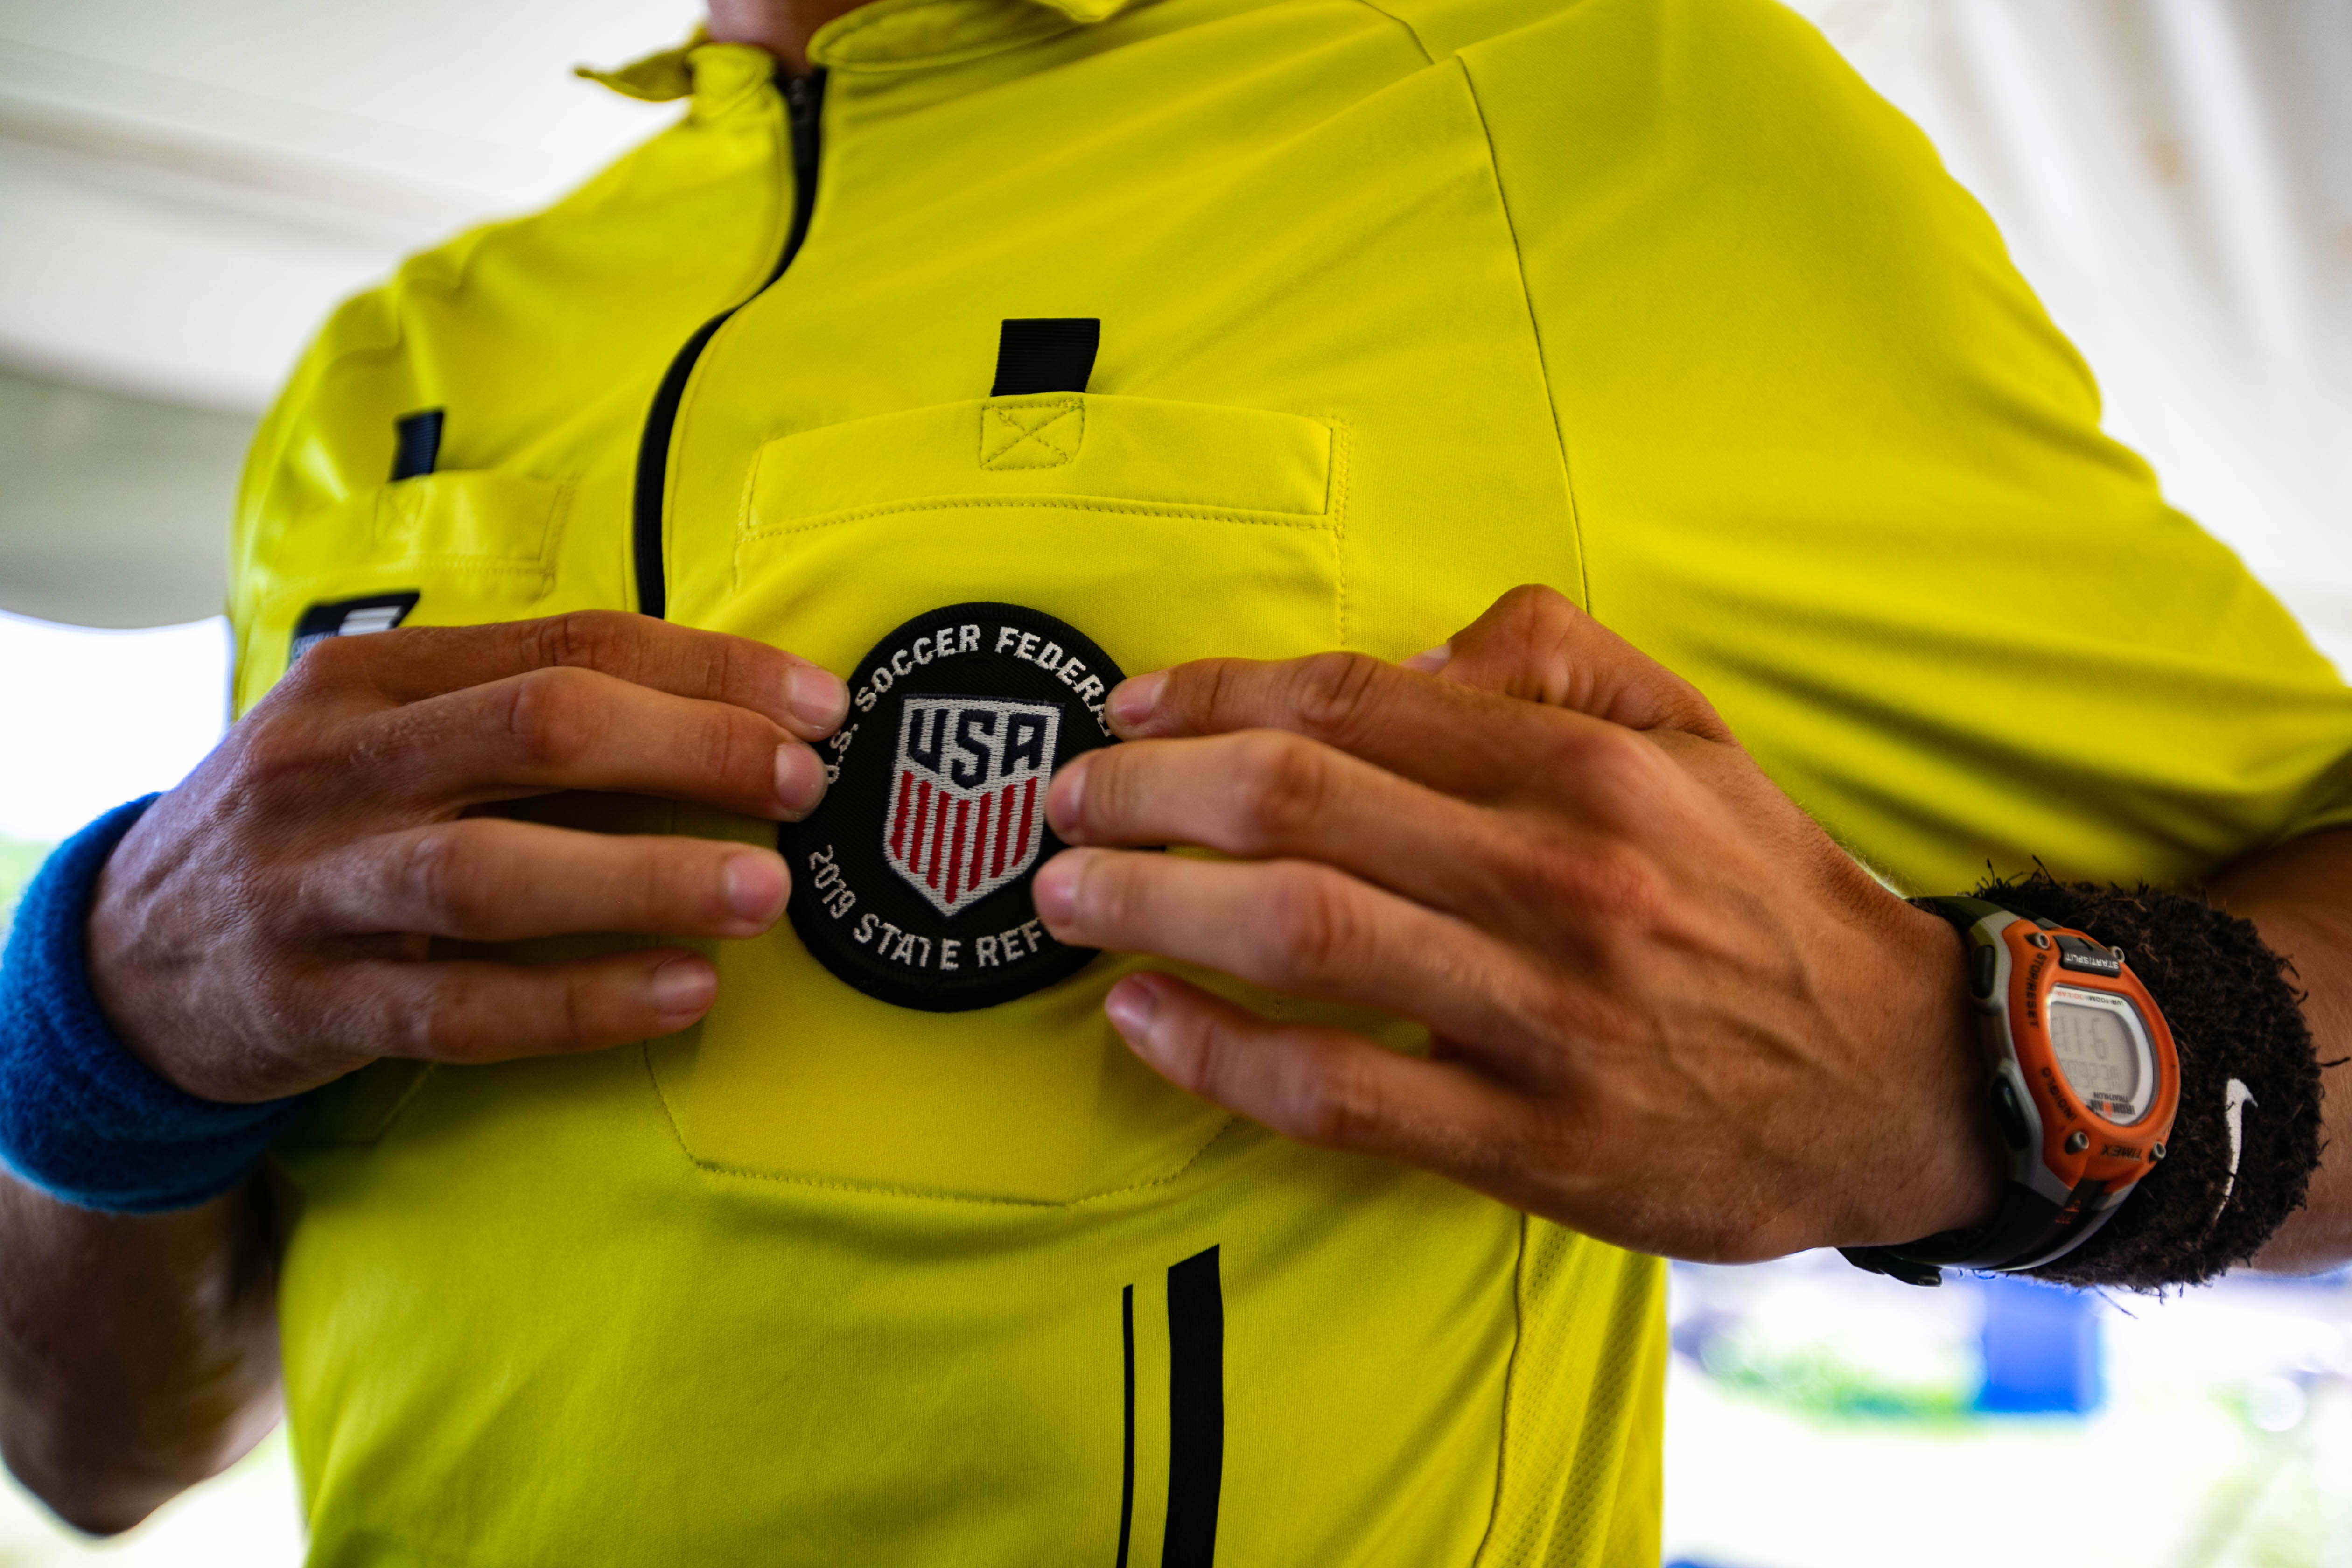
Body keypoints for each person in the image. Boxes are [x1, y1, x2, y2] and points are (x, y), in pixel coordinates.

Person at [4, 0, 2349, 1559]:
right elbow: (102, 1451)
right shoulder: (378, 366)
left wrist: (1967, 1079)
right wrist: (100, 1007)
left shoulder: (1582, 111)